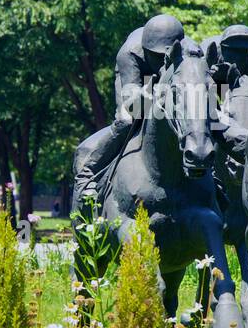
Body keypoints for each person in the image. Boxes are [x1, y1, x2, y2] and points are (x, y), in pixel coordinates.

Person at [73, 14, 186, 203]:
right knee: (127, 121)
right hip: (136, 83)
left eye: (166, 56)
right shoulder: (129, 54)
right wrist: (153, 93)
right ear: (147, 50)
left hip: (169, 83)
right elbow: (132, 101)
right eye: (157, 56)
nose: (162, 62)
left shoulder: (186, 50)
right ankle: (88, 173)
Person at [203, 24, 248, 99]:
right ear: (222, 48)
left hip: (242, 95)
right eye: (233, 51)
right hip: (216, 89)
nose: (238, 57)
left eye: (244, 51)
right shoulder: (211, 55)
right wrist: (210, 76)